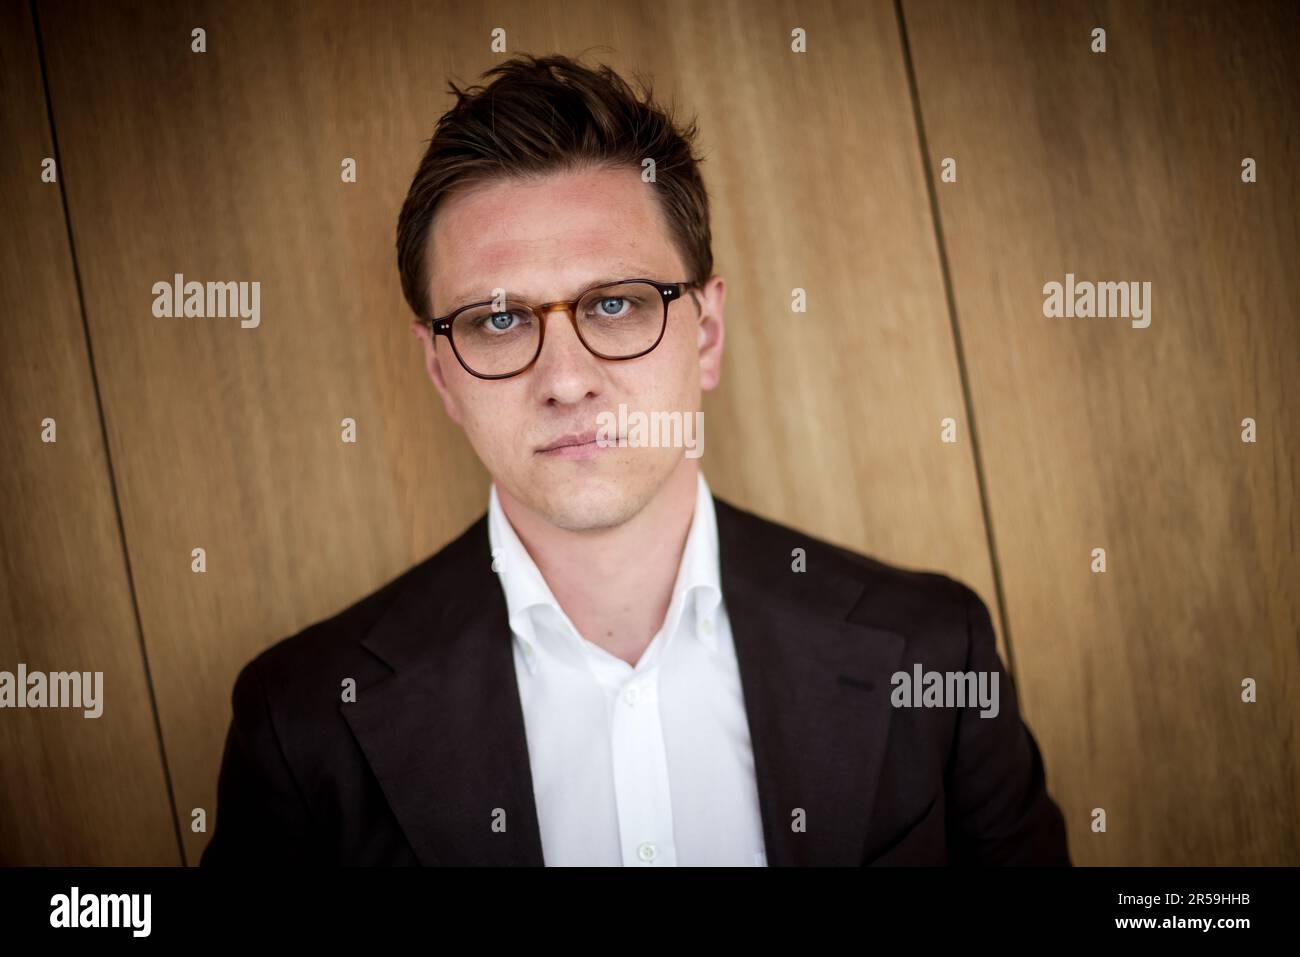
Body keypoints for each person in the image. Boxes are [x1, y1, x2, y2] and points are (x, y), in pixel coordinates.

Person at [202, 53, 1069, 867]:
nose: (566, 380)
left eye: (615, 303)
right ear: (442, 373)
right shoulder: (303, 721)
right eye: (498, 321)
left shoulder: (932, 650)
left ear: (708, 335)